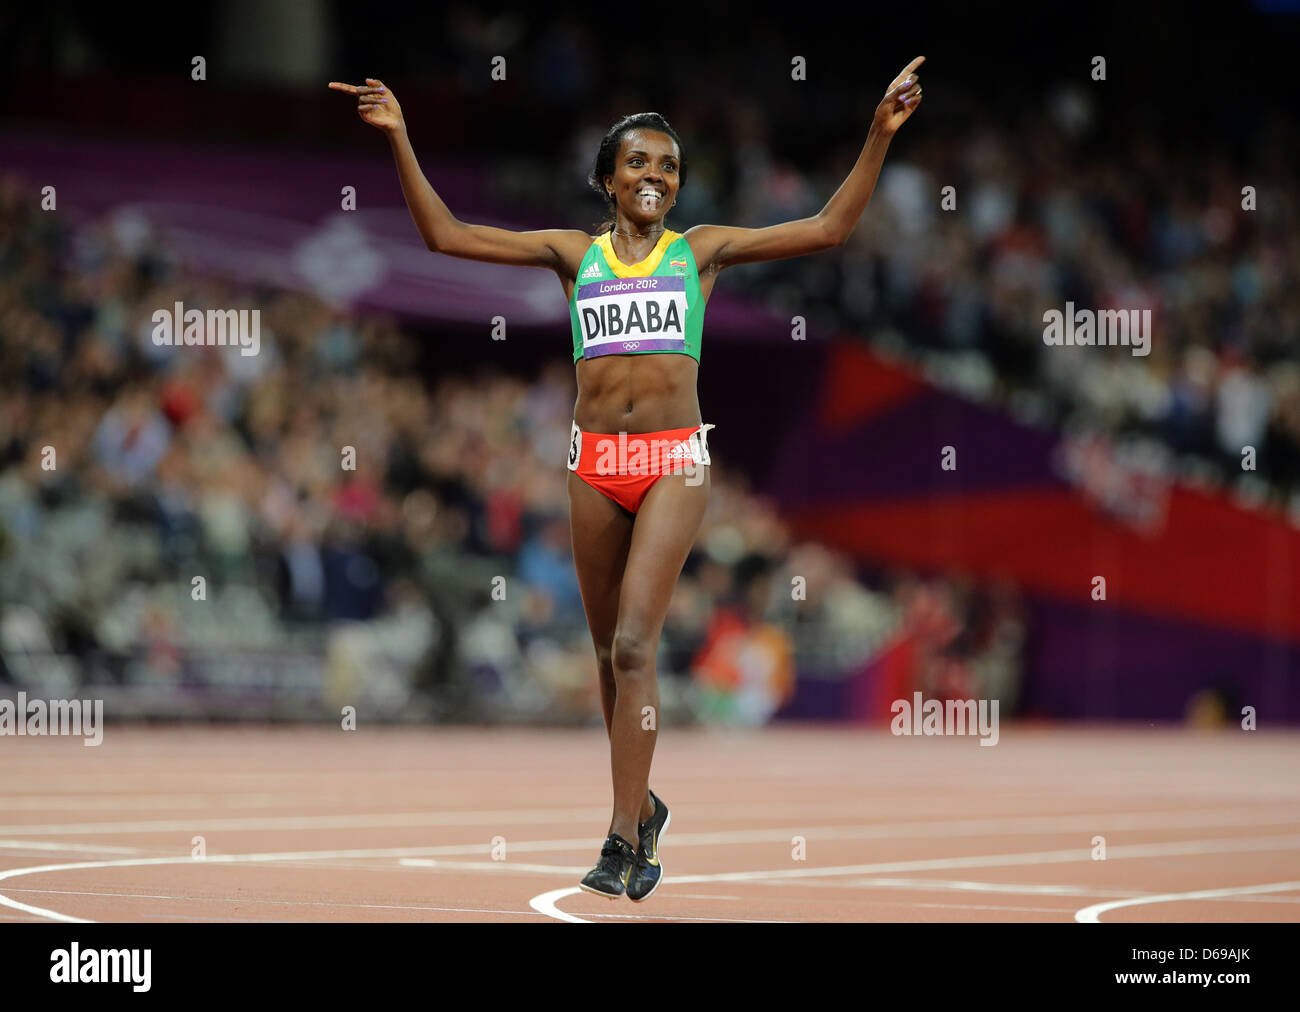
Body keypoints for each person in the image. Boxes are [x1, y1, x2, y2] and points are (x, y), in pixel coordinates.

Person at [329, 58, 924, 901]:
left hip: (676, 460)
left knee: (638, 644)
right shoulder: (574, 255)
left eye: (670, 166)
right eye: (639, 162)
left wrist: (878, 133)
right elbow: (445, 236)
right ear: (608, 178)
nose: (656, 175)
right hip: (593, 467)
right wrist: (399, 136)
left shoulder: (701, 253)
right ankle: (643, 804)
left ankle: (620, 837)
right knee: (610, 660)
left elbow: (828, 228)